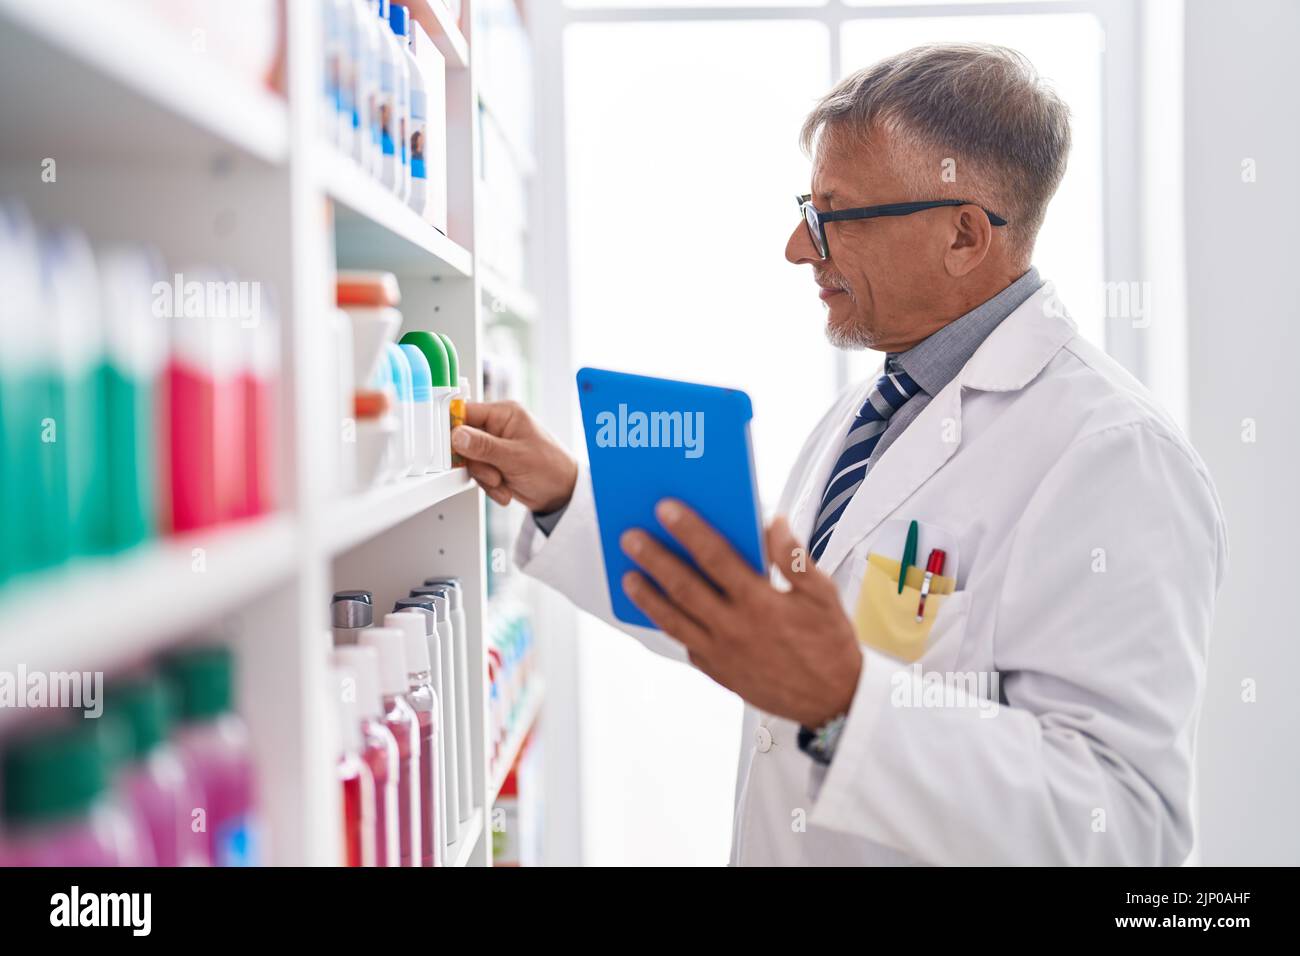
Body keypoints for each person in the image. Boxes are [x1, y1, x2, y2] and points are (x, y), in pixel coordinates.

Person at [450, 43, 1227, 866]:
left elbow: (1123, 826)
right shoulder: (868, 416)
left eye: (833, 215)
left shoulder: (1115, 456)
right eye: (805, 207)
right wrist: (565, 499)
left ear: (963, 235)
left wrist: (846, 704)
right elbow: (750, 624)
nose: (797, 245)